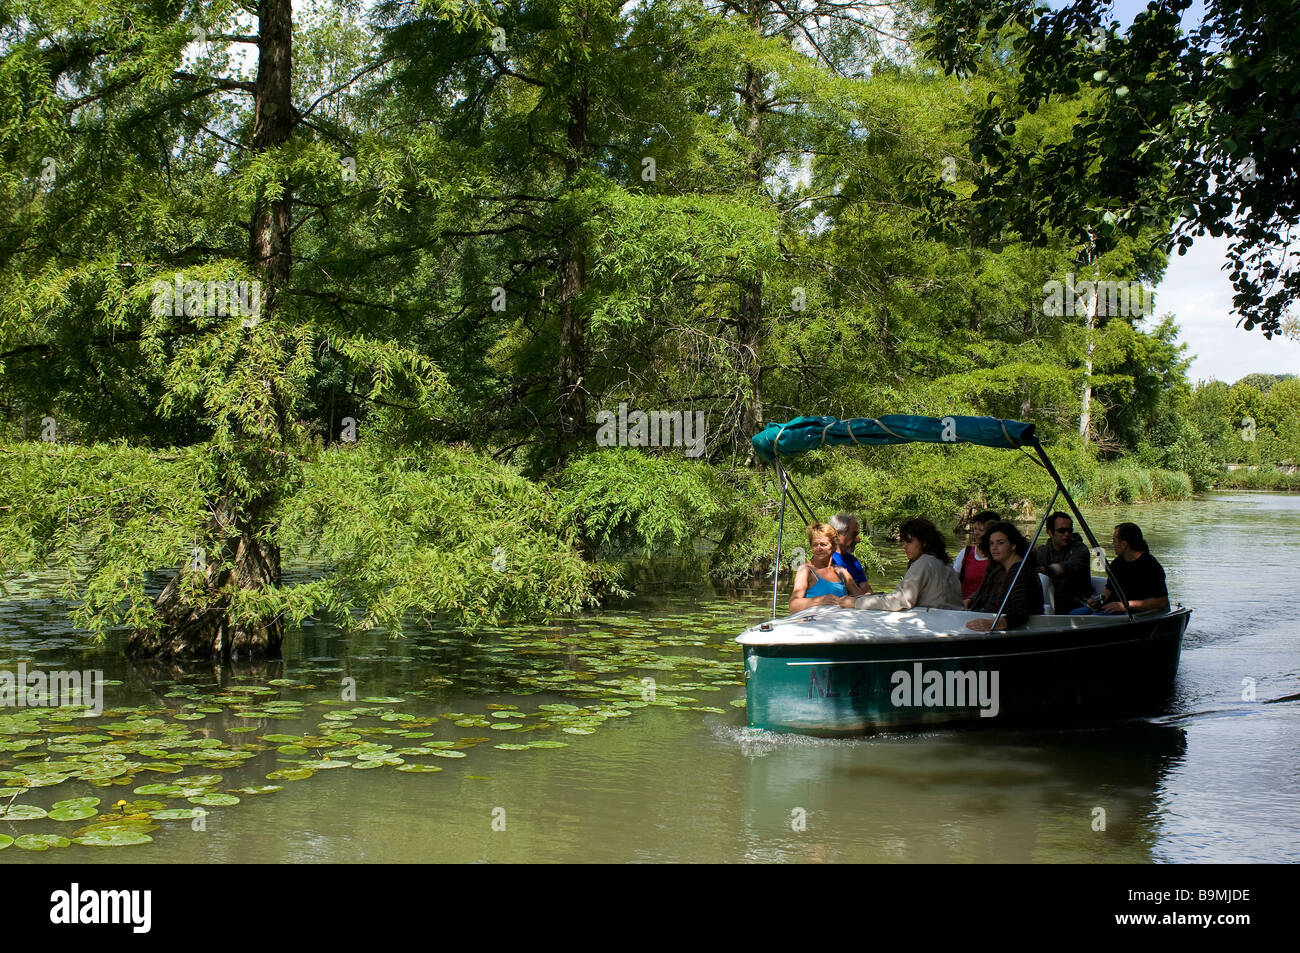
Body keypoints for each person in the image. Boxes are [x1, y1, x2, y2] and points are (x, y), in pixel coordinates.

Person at [839, 518, 963, 611]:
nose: (904, 546)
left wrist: (856, 603)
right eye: (904, 541)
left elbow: (899, 601)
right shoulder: (944, 563)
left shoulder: (924, 563)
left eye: (909, 542)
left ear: (924, 542)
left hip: (938, 626)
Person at [1071, 522, 1170, 615]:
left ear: (1124, 544)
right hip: (1111, 607)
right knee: (1074, 614)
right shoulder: (1117, 563)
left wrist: (1125, 605)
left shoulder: (1151, 566)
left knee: (1094, 619)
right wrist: (1099, 600)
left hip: (1132, 613)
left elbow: (1162, 602)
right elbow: (1109, 589)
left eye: (1114, 540)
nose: (1113, 543)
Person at [965, 521, 1044, 630]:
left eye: (1000, 543)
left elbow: (1020, 613)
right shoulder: (1004, 569)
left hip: (1022, 632)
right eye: (991, 543)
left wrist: (992, 624)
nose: (994, 548)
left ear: (1013, 545)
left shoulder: (1019, 571)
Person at [790, 523, 867, 612]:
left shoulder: (841, 572)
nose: (818, 549)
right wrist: (819, 601)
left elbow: (861, 599)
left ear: (834, 546)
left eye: (823, 544)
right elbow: (793, 605)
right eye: (815, 545)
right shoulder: (806, 571)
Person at [1034, 511, 1092, 613]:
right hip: (1052, 600)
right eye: (1062, 531)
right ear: (1050, 532)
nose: (1067, 534)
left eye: (1069, 530)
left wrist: (1046, 570)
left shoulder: (1080, 549)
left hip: (1078, 600)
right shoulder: (1042, 551)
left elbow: (1070, 566)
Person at [953, 510, 1000, 606]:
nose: (976, 533)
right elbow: (952, 582)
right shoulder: (965, 553)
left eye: (981, 530)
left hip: (988, 608)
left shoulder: (1000, 558)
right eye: (975, 529)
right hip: (964, 606)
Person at [829, 513, 873, 593]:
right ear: (837, 535)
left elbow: (867, 590)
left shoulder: (853, 561)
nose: (858, 540)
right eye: (854, 534)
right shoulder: (826, 560)